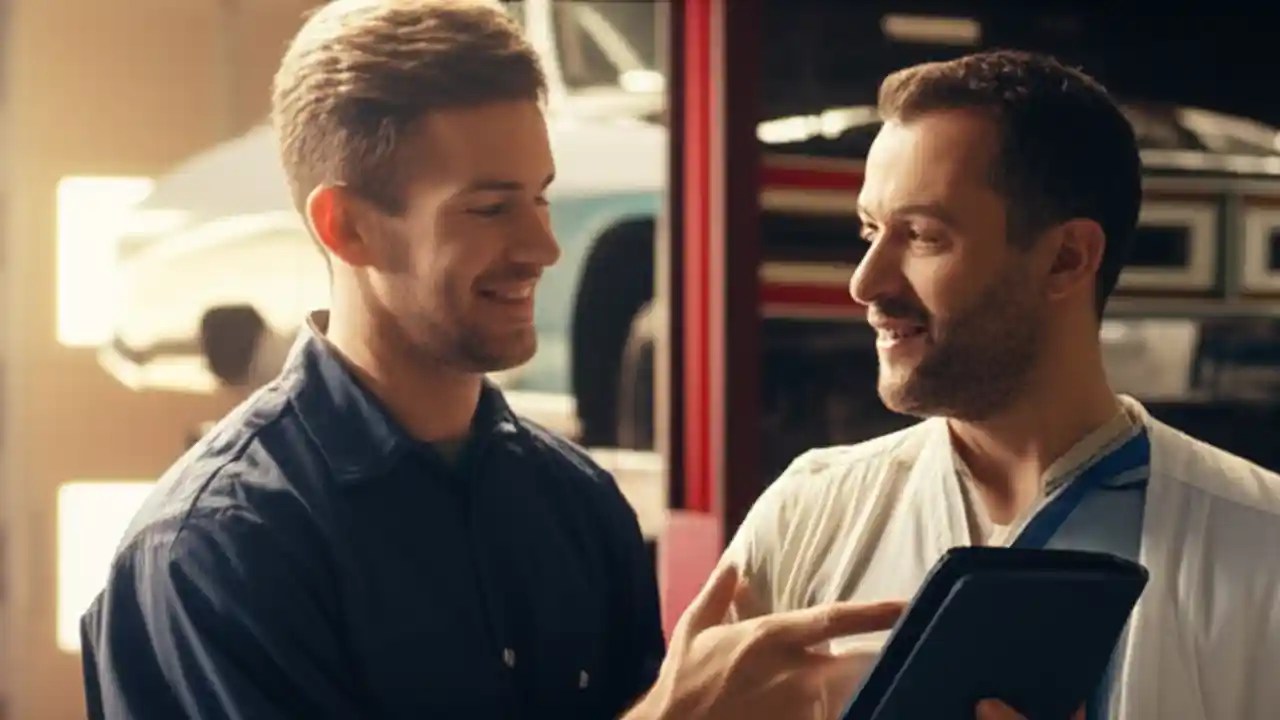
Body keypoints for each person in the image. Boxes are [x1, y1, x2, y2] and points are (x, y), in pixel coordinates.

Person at [78, 1, 900, 718]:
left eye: (539, 197)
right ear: (348, 228)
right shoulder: (216, 552)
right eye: (490, 208)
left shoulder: (577, 508)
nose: (541, 246)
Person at [721, 50, 1280, 720]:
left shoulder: (1262, 544)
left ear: (1067, 258)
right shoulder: (808, 515)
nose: (865, 283)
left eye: (923, 236)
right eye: (870, 230)